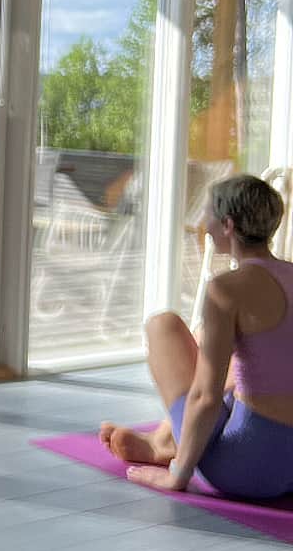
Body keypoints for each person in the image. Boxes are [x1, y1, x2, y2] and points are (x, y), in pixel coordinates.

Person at [100, 175, 293, 498]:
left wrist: (178, 475)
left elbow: (205, 396)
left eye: (209, 215)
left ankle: (167, 446)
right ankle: (162, 440)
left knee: (163, 326)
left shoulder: (227, 289)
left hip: (248, 471)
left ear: (228, 225)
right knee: (227, 347)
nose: (205, 224)